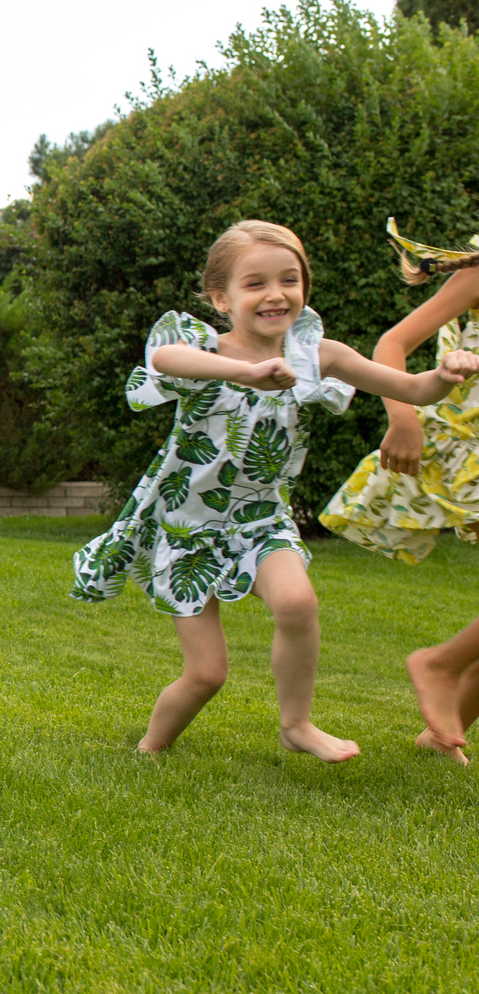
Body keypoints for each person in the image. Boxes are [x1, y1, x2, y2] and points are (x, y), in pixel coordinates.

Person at [71, 219, 479, 763]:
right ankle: (151, 749)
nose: (275, 294)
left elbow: (410, 387)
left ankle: (296, 724)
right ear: (222, 296)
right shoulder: (201, 347)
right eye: (255, 283)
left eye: (290, 280)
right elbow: (166, 361)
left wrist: (448, 372)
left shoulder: (319, 356)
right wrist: (244, 373)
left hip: (260, 520)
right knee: (207, 674)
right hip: (184, 524)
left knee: (297, 601)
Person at [322, 218, 479, 762]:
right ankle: (438, 665)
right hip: (467, 446)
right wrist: (403, 418)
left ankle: (443, 733)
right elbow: (394, 343)